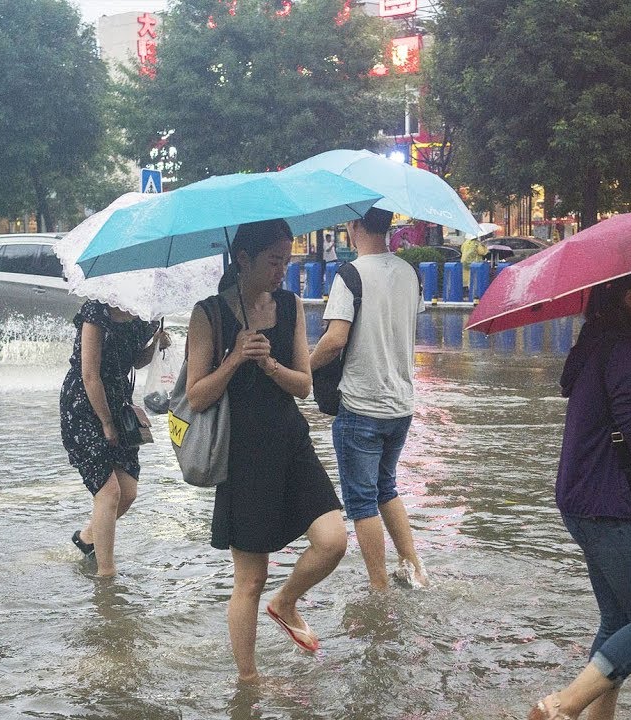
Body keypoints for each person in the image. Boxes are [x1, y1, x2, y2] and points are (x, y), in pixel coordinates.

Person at [183, 219, 346, 682]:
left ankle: (287, 601)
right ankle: (248, 681)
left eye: (287, 259)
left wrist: (269, 363)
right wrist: (235, 358)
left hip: (290, 442)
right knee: (249, 581)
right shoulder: (209, 314)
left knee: (333, 539)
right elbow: (196, 397)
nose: (283, 269)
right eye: (275, 260)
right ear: (243, 260)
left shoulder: (290, 306)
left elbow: (304, 386)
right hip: (242, 456)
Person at [530, 262, 631, 720]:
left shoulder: (598, 341)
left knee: (619, 622)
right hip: (603, 501)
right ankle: (559, 708)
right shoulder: (619, 347)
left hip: (583, 496)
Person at [310, 207, 428, 590]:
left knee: (362, 502)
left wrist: (303, 368)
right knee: (386, 487)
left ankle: (380, 588)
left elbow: (335, 340)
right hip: (401, 403)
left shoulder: (351, 274)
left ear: (353, 226)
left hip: (362, 404)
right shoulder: (411, 273)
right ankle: (414, 568)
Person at [59, 301, 169, 575]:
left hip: (120, 403)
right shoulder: (97, 312)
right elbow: (89, 375)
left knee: (127, 492)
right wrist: (106, 422)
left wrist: (155, 345)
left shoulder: (146, 317)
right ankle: (106, 575)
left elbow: (133, 360)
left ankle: (86, 538)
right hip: (84, 404)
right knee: (109, 492)